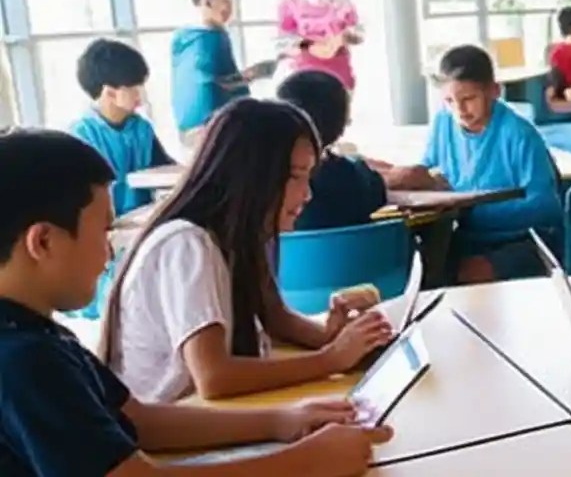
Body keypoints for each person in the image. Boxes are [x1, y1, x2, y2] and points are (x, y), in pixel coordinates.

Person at [0, 129, 391, 477]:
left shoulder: (36, 333)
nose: (107, 254)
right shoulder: (23, 359)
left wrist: (282, 421)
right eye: (104, 230)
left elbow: (137, 421)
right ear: (44, 242)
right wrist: (304, 463)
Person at [100, 99, 394, 403]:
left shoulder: (241, 235)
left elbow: (275, 317)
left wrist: (334, 337)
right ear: (251, 175)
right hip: (172, 427)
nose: (307, 194)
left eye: (309, 176)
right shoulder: (187, 243)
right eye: (295, 176)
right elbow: (214, 377)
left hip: (205, 414)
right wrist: (330, 359)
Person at [375, 46, 562, 284]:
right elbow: (430, 169)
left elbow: (546, 206)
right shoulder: (443, 122)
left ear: (494, 91)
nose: (459, 110)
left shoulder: (519, 134)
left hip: (525, 241)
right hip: (466, 238)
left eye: (468, 99)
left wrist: (469, 212)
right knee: (416, 271)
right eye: (449, 101)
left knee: (466, 274)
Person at [69, 39, 173, 215]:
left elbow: (164, 168)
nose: (141, 94)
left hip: (144, 219)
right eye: (134, 88)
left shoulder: (142, 128)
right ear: (110, 93)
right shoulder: (82, 136)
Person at [171, 0, 272, 147]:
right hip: (214, 125)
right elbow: (221, 83)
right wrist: (257, 73)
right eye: (224, 0)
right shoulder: (212, 38)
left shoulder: (182, 38)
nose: (229, 7)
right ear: (206, 1)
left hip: (188, 126)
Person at [277, 70, 387, 231]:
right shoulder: (359, 177)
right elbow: (380, 194)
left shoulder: (269, 182)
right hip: (360, 256)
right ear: (342, 125)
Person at [278, 0, 363, 92]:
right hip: (303, 75)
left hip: (339, 75)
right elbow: (284, 40)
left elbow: (359, 33)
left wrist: (342, 38)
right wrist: (309, 46)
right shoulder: (290, 1)